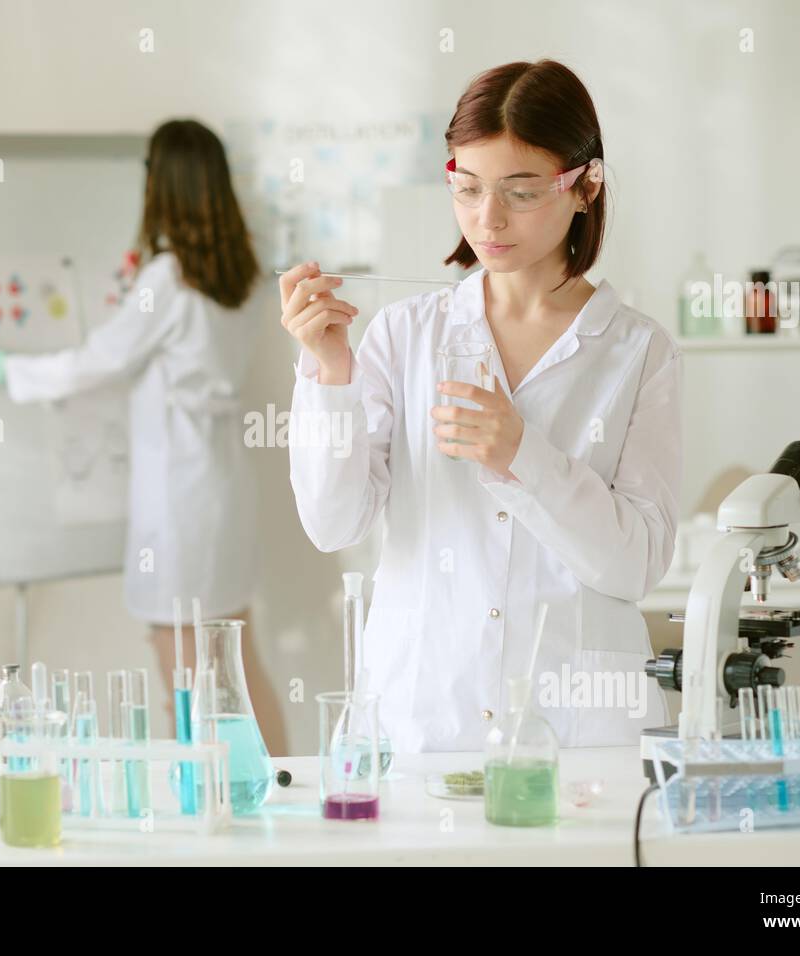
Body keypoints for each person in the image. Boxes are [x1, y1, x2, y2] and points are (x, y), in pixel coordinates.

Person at [281, 60, 682, 751]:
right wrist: (330, 375)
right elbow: (332, 524)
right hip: (424, 717)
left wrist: (520, 454)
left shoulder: (637, 350)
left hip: (579, 733)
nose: (486, 220)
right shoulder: (405, 335)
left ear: (585, 186)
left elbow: (634, 565)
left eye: (519, 192)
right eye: (466, 189)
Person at [0, 119, 288, 755]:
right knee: (237, 666)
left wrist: (1, 367)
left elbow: (96, 362)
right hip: (222, 492)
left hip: (182, 500)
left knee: (182, 676)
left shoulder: (170, 278)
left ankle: (207, 805)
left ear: (163, 185)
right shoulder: (244, 270)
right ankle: (285, 791)